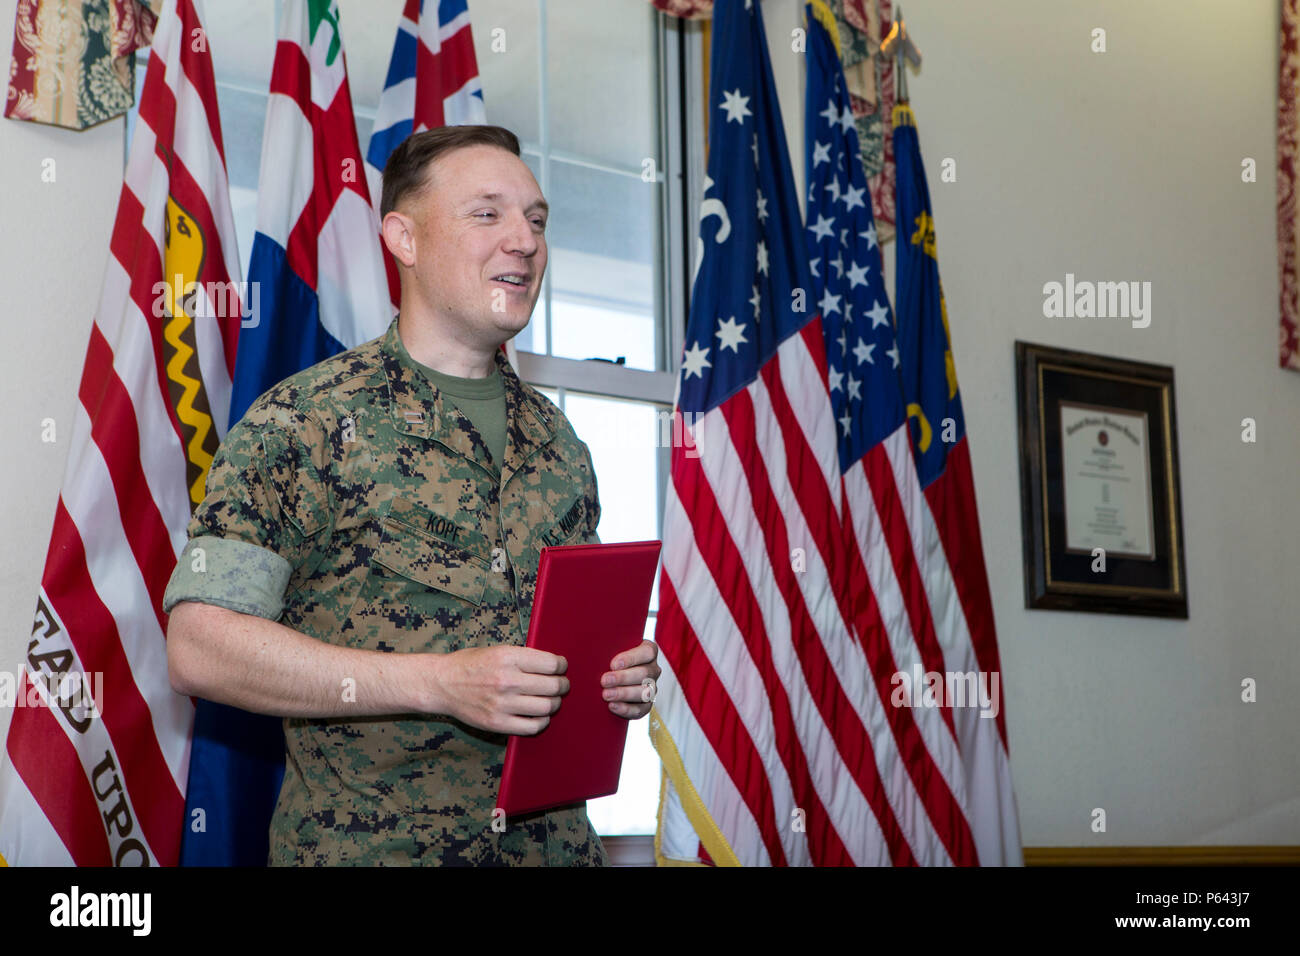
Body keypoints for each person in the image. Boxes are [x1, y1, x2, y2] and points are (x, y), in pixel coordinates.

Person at [163, 124, 660, 866]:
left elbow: (559, 648)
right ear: (403, 238)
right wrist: (437, 684)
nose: (523, 239)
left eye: (536, 218)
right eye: (487, 214)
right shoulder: (306, 421)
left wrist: (616, 677)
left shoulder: (561, 446)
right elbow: (199, 648)